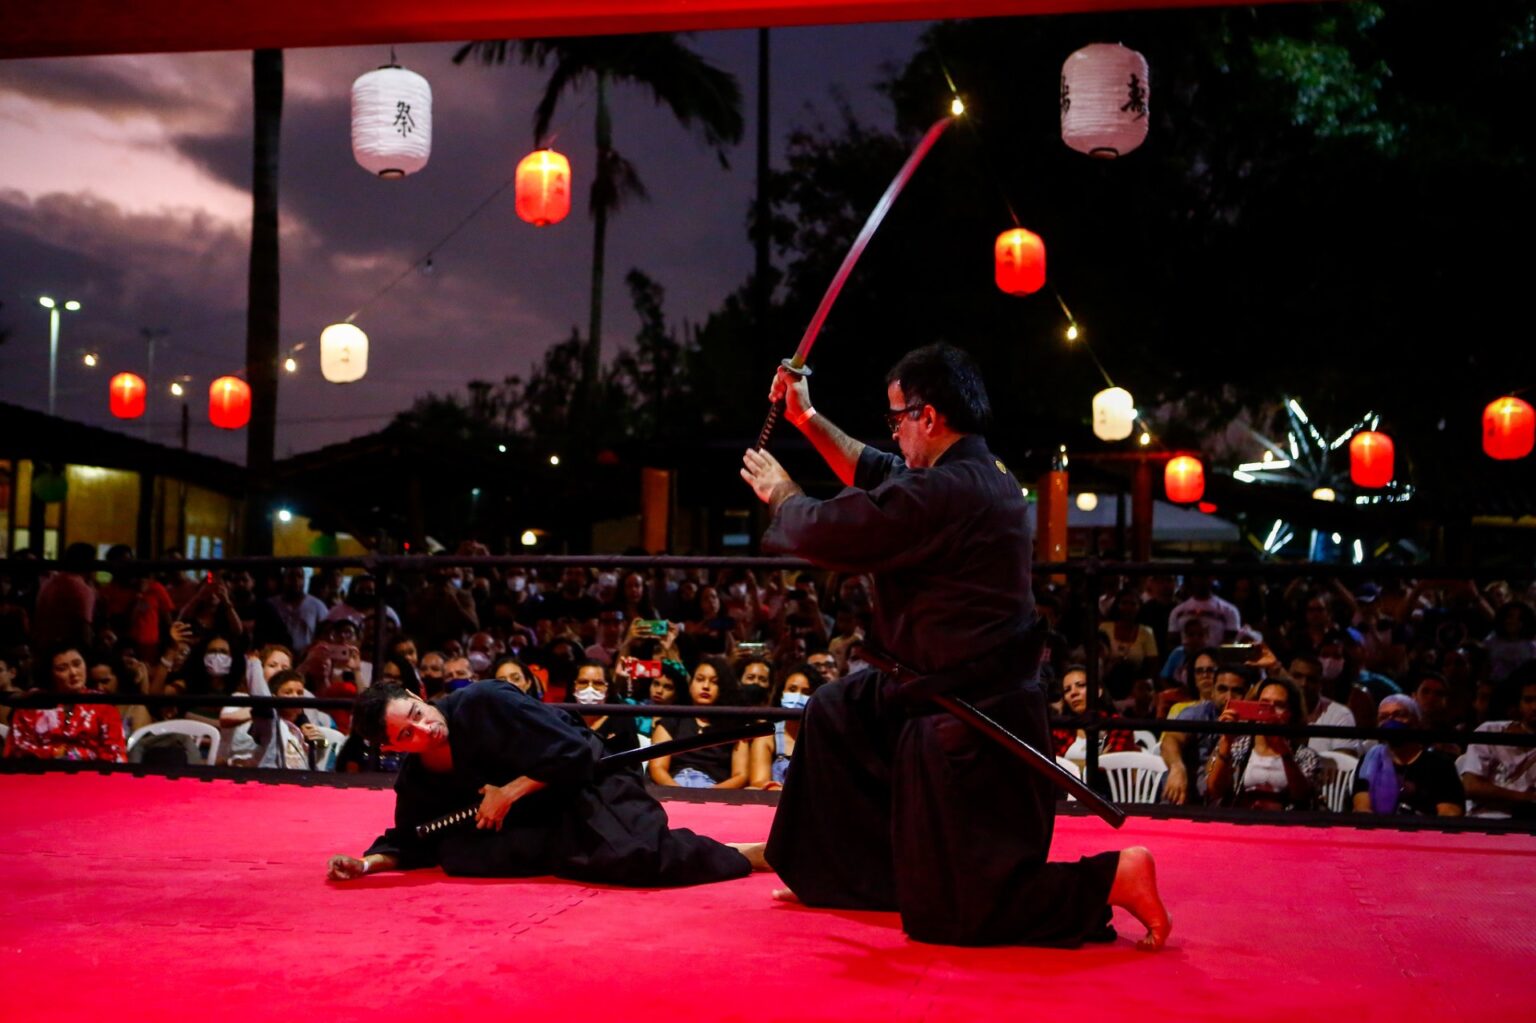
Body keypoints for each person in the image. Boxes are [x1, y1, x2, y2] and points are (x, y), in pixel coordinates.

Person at [739, 343, 1169, 950]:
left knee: (954, 916)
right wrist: (807, 418)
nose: (892, 434)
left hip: (971, 714)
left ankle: (1111, 877)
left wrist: (784, 494)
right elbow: (873, 470)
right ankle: (846, 873)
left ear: (928, 417)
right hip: (929, 686)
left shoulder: (949, 493)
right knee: (839, 712)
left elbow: (841, 528)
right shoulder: (967, 476)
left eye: (896, 420)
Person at [326, 681, 764, 886]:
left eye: (417, 714)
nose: (425, 729)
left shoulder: (485, 702)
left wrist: (509, 791)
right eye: (408, 734)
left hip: (590, 776)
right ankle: (573, 847)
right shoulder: (419, 777)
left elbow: (573, 751)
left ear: (419, 697)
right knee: (458, 852)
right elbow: (410, 839)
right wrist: (365, 866)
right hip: (538, 818)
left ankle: (740, 853)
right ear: (394, 748)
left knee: (636, 857)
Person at [1205, 677, 1320, 811]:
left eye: (1279, 705)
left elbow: (1302, 796)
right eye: (1264, 704)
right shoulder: (1235, 746)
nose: (1270, 712)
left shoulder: (1305, 755)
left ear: (1291, 713)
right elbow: (1215, 791)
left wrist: (1284, 751)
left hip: (1286, 824)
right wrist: (1226, 742)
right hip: (1240, 819)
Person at [4, 645, 127, 762]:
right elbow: (18, 749)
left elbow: (114, 752)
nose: (73, 673)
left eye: (77, 664)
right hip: (40, 776)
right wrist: (61, 754)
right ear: (50, 673)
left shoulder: (102, 703)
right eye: (62, 668)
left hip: (93, 777)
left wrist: (73, 756)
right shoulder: (33, 702)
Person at [1353, 695, 1464, 817]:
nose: (1390, 722)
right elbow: (1362, 809)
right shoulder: (1370, 761)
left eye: (1399, 715)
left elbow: (1449, 813)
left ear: (1416, 721)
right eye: (1383, 717)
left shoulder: (1440, 764)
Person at [649, 657, 749, 789]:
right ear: (690, 685)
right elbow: (657, 767)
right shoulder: (673, 720)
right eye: (700, 679)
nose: (706, 686)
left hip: (715, 792)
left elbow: (740, 775)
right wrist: (679, 793)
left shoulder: (736, 727)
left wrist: (707, 795)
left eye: (714, 682)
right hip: (673, 786)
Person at [749, 662, 823, 790]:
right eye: (792, 690)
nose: (798, 696)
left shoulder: (823, 736)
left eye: (806, 692)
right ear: (781, 692)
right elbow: (758, 781)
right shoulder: (767, 738)